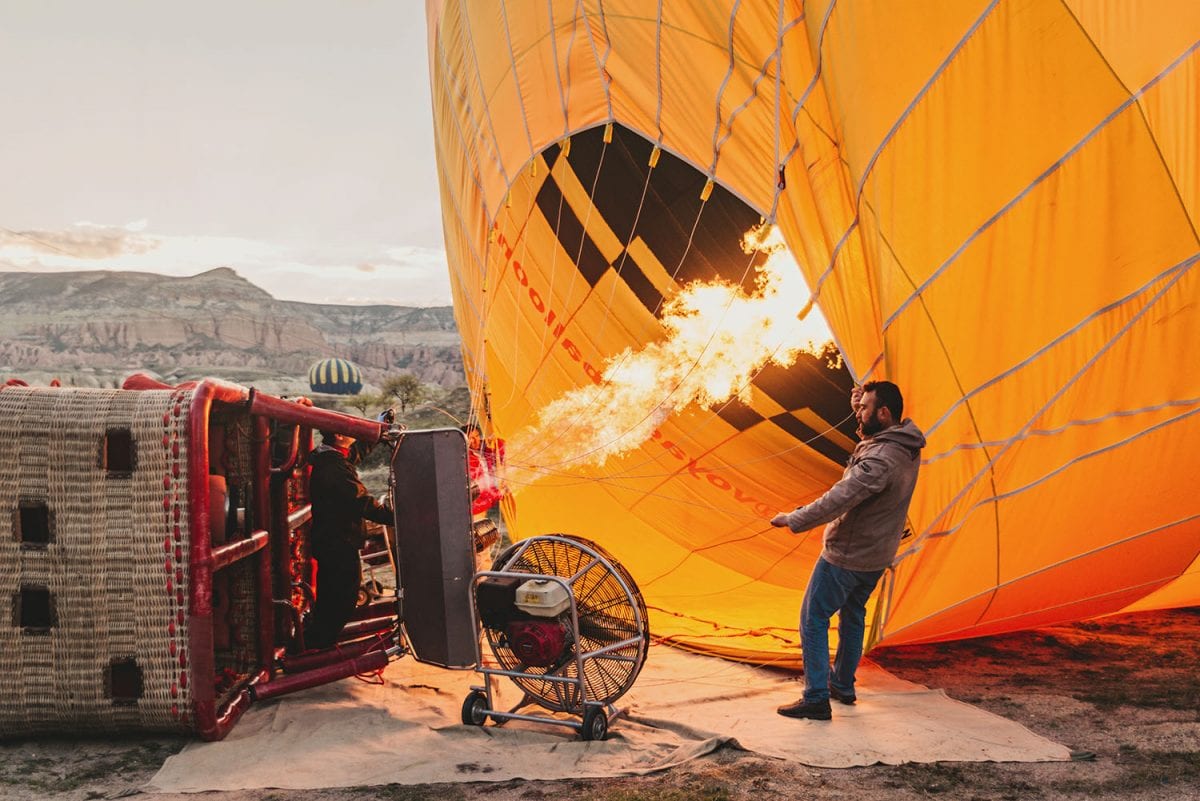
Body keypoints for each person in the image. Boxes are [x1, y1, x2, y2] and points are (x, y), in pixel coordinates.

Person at [769, 380, 926, 720]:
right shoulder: (906, 444)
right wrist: (861, 408)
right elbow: (875, 443)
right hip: (877, 555)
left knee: (813, 618)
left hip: (848, 555)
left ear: (884, 413)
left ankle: (816, 697)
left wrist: (794, 519)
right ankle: (842, 684)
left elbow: (839, 498)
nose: (858, 412)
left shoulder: (881, 460)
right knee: (853, 615)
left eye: (865, 408)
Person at [303, 428, 394, 650]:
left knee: (332, 596)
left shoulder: (331, 458)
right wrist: (395, 516)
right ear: (339, 436)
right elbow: (361, 501)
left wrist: (376, 431)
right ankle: (320, 646)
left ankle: (319, 641)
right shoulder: (333, 466)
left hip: (333, 540)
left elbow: (356, 452)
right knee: (341, 599)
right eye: (349, 431)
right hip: (338, 542)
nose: (353, 435)